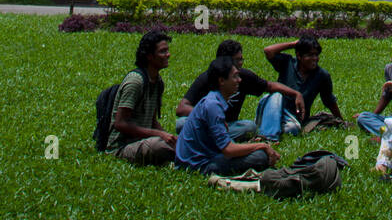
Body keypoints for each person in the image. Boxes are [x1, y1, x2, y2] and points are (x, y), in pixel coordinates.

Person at [175, 57, 281, 177]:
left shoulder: (214, 99)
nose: (239, 80)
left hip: (198, 158)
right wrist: (262, 146)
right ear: (221, 81)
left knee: (255, 152)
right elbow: (228, 150)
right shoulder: (213, 105)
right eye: (235, 76)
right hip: (198, 165)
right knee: (260, 157)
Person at [175, 39, 306, 135]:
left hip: (229, 127)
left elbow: (270, 86)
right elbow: (182, 108)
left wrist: (296, 94)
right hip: (206, 124)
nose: (240, 64)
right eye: (237, 60)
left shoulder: (243, 77)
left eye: (241, 59)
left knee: (249, 127)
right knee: (181, 123)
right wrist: (210, 118)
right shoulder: (207, 78)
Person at [105, 28, 176, 166]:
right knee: (159, 145)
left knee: (177, 143)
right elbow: (120, 123)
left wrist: (170, 138)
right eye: (162, 51)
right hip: (122, 147)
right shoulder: (135, 82)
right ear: (149, 56)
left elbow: (152, 120)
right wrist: (159, 135)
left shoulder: (158, 82)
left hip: (143, 141)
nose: (168, 55)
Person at [257, 34, 344, 140]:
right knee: (276, 96)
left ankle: (268, 129)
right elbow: (268, 51)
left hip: (292, 117)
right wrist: (294, 44)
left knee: (292, 129)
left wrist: (341, 121)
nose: (315, 59)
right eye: (310, 55)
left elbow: (329, 100)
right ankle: (269, 137)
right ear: (299, 56)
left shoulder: (322, 76)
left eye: (316, 55)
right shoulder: (287, 62)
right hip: (274, 108)